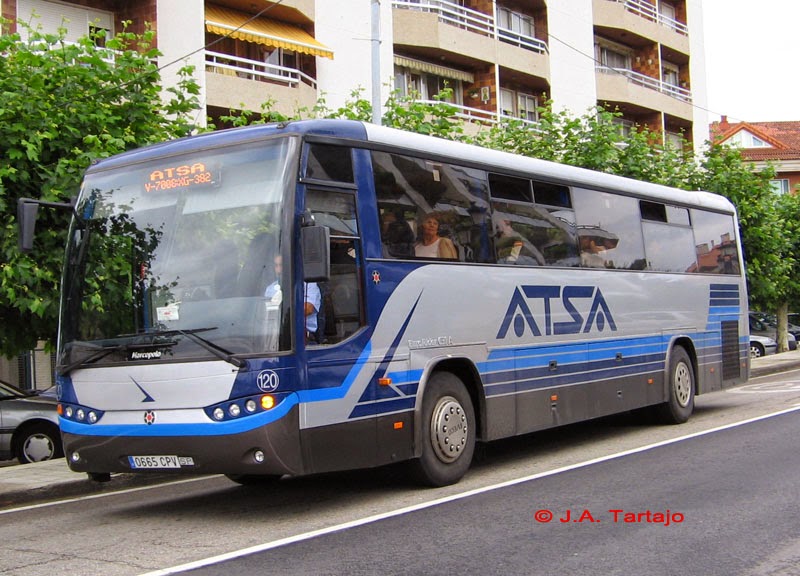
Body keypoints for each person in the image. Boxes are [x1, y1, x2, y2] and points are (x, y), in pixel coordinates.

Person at [265, 255, 322, 342]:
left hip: (302, 340)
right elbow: (265, 313)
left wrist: (282, 312)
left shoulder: (308, 284)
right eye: (276, 266)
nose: (279, 270)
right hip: (274, 339)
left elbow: (308, 308)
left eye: (282, 265)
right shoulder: (270, 289)